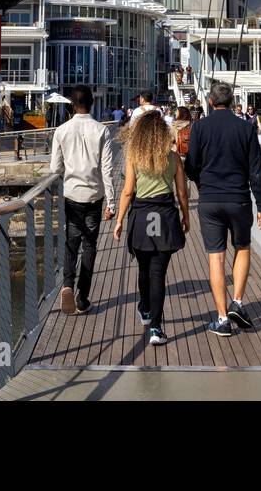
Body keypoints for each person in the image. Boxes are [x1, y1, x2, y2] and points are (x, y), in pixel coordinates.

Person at [183, 81, 261, 338]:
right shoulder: (245, 128)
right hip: (239, 199)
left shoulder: (199, 128)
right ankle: (238, 302)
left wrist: (202, 183)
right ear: (232, 102)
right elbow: (256, 170)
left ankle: (221, 318)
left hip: (209, 200)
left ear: (210, 102)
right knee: (242, 247)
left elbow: (191, 166)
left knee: (215, 256)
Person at [113, 110, 190, 346]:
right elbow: (182, 192)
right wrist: (186, 216)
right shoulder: (173, 158)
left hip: (141, 214)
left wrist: (119, 220)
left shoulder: (134, 157)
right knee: (159, 273)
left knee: (143, 268)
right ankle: (156, 327)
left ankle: (145, 309)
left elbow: (127, 191)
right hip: (165, 214)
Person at [48, 85, 117, 316]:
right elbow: (107, 169)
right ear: (92, 103)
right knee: (90, 245)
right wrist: (112, 202)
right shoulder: (102, 131)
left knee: (72, 240)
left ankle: (67, 283)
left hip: (72, 195)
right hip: (94, 195)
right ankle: (83, 296)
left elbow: (55, 168)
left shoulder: (62, 130)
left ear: (72, 104)